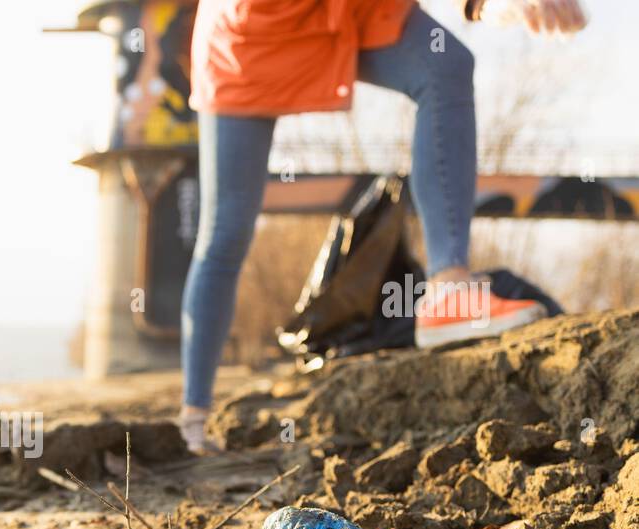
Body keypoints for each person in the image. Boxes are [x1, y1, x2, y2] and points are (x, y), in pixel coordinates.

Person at [178, 0, 588, 454]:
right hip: (251, 36)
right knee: (225, 233)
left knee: (444, 63)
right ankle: (193, 418)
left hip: (347, 11)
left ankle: (449, 287)